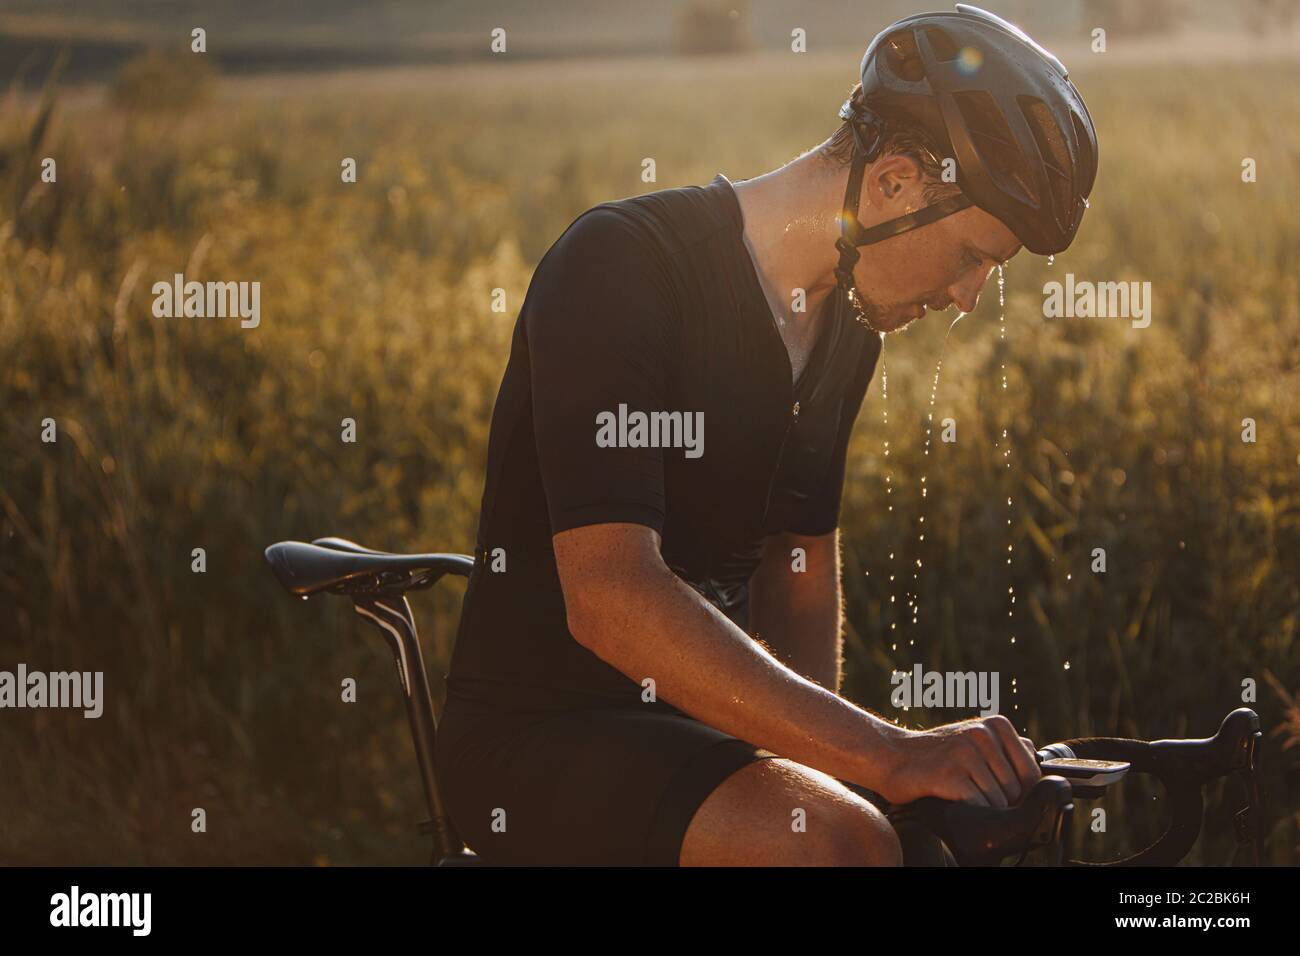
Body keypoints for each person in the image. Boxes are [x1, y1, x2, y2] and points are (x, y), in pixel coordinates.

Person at [434, 4, 1098, 866]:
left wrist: (830, 763)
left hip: (699, 728)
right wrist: (882, 755)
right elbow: (610, 597)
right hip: (536, 733)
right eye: (973, 254)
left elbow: (800, 562)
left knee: (917, 842)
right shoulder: (622, 268)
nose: (969, 294)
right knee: (837, 844)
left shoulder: (848, 321)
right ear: (893, 183)